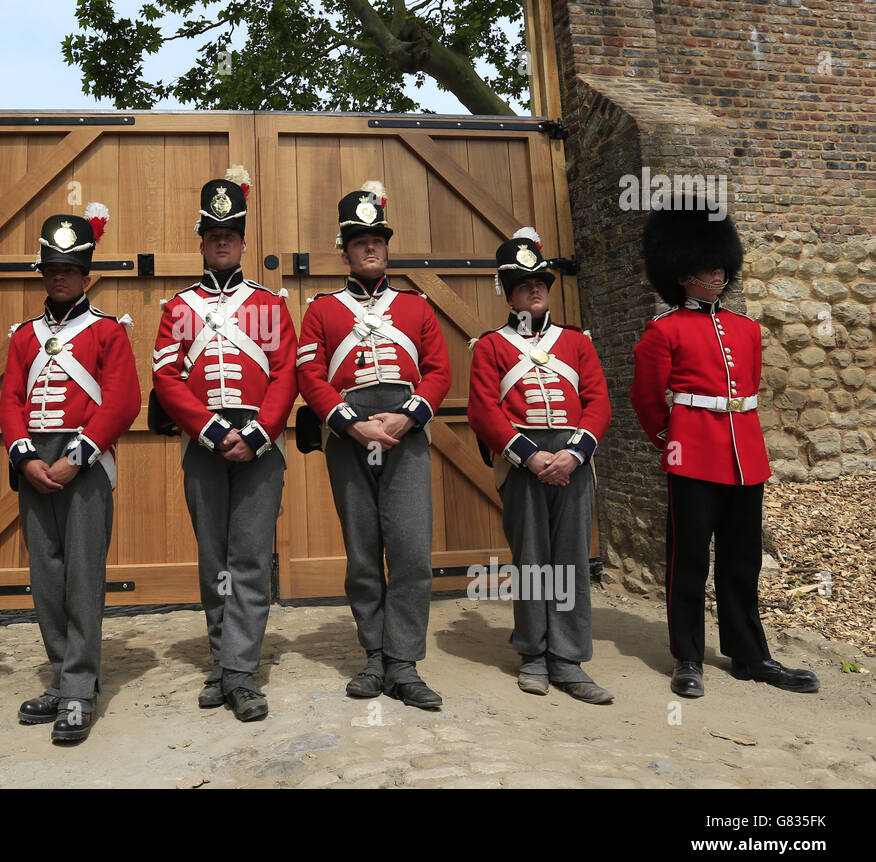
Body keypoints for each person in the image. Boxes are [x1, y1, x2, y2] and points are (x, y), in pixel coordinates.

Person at [631, 205, 819, 698]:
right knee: (689, 559)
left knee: (742, 560)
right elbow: (647, 399)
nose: (718, 271)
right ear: (682, 273)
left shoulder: (746, 329)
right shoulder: (663, 330)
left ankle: (749, 654)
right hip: (692, 452)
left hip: (745, 454)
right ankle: (688, 656)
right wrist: (669, 441)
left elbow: (749, 389)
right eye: (708, 264)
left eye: (721, 264)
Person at [296, 181, 451, 710]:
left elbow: (438, 371)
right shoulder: (322, 309)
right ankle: (373, 655)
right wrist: (348, 423)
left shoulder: (416, 308)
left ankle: (404, 662)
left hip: (404, 435)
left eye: (377, 240)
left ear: (386, 247)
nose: (370, 248)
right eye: (360, 240)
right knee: (363, 552)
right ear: (345, 249)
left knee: (409, 550)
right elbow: (310, 373)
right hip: (349, 436)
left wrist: (408, 418)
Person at [152, 167, 297, 722]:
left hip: (260, 446)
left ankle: (240, 671)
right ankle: (223, 658)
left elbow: (285, 374)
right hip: (204, 445)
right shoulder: (178, 308)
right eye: (213, 235)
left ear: (241, 241)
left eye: (230, 235)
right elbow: (166, 377)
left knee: (250, 558)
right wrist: (210, 432)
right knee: (215, 557)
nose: (221, 242)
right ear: (203, 240)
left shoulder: (269, 305)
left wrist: (258, 433)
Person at [0, 205, 141, 744]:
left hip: (84, 465)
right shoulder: (23, 336)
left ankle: (80, 687)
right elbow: (11, 399)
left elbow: (123, 401)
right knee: (46, 576)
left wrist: (77, 456)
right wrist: (24, 456)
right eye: (51, 269)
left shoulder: (106, 332)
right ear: (44, 273)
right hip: (35, 463)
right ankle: (61, 674)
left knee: (82, 578)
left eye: (70, 270)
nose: (60, 277)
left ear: (86, 275)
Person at [467, 228, 613, 703]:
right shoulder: (491, 346)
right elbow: (484, 411)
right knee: (531, 561)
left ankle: (568, 659)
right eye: (525, 284)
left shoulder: (576, 342)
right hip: (522, 461)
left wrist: (573, 453)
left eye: (541, 283)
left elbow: (598, 402)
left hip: (572, 458)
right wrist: (530, 455)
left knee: (570, 560)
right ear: (509, 294)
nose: (535, 289)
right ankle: (533, 653)